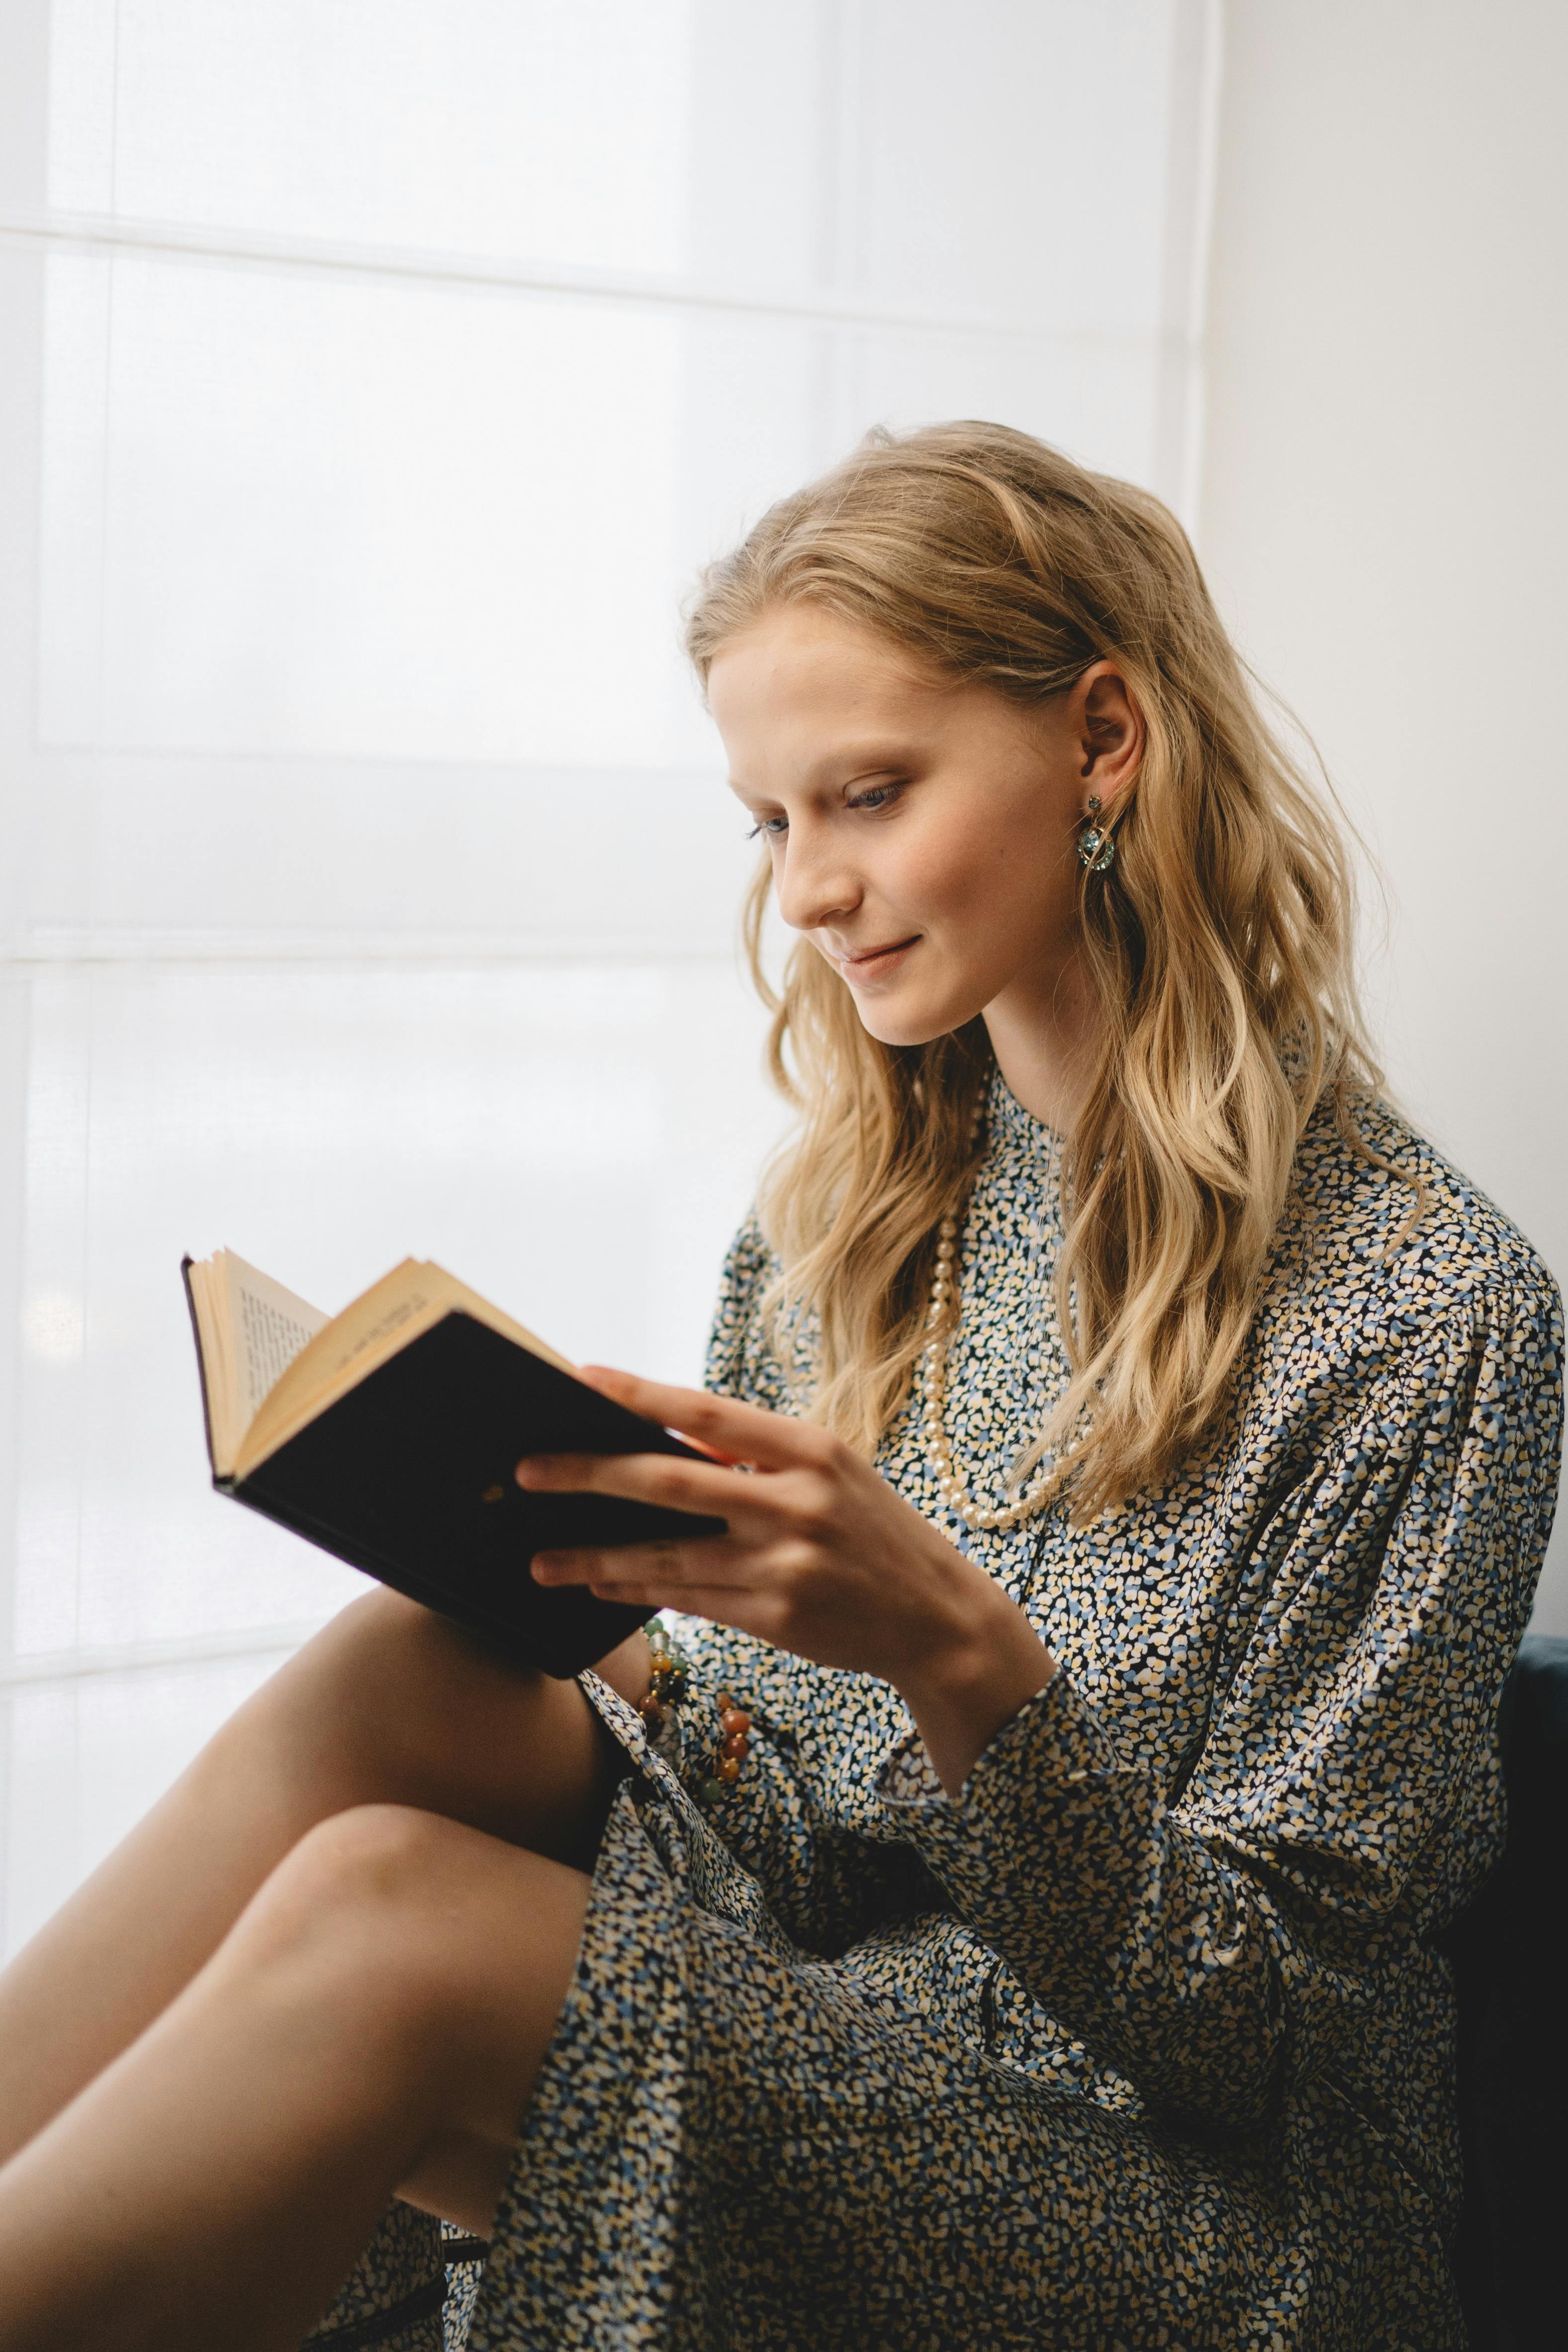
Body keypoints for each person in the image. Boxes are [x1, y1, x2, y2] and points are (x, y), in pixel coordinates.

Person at [0, 422, 1559, 2352]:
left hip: (1190, 2199)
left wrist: (955, 1658)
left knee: (391, 1918)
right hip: (853, 2000)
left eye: (869, 794)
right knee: (407, 1671)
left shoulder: (1429, 1312)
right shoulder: (850, 1215)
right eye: (769, 820)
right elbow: (819, 1852)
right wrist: (618, 1633)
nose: (812, 887)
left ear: (1101, 739)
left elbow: (1255, 2039)